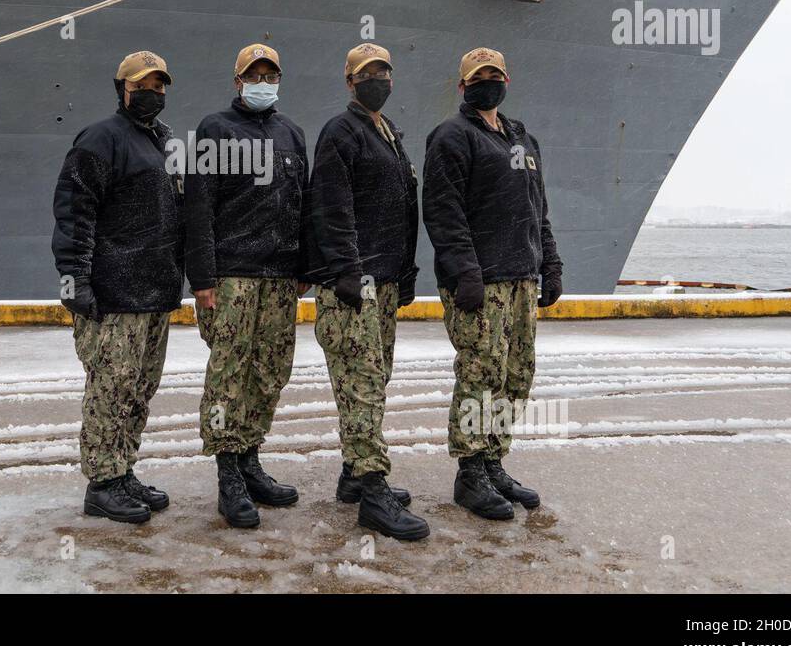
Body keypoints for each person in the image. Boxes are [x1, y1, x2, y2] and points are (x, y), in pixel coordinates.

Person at [423, 47, 563, 521]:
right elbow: (443, 212)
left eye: (495, 74)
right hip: (480, 282)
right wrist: (465, 271)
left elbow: (537, 208)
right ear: (462, 87)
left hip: (521, 276)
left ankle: (493, 460)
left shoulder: (523, 139)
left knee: (515, 376)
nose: (488, 82)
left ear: (507, 80)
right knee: (481, 376)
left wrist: (551, 263)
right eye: (478, 77)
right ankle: (469, 472)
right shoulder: (452, 137)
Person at [51, 50, 184, 524]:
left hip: (154, 294)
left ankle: (123, 468)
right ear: (121, 89)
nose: (153, 93)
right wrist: (75, 282)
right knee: (111, 388)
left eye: (159, 85)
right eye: (142, 85)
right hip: (113, 297)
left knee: (139, 390)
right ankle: (102, 482)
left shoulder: (164, 142)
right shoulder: (100, 139)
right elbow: (74, 213)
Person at [305, 43, 429, 541]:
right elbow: (331, 209)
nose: (377, 78)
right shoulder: (340, 132)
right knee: (360, 386)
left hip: (383, 281)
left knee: (374, 384)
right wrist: (347, 272)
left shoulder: (388, 133)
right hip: (353, 285)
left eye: (383, 71)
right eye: (367, 73)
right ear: (350, 82)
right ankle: (374, 492)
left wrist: (404, 272)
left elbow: (400, 209)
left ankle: (352, 477)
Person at [186, 43, 310, 528]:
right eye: (253, 74)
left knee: (269, 372)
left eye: (270, 74)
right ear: (237, 81)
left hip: (280, 278)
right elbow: (198, 208)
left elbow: (303, 202)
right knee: (228, 376)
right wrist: (202, 279)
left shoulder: (291, 133)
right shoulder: (217, 130)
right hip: (232, 278)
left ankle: (251, 460)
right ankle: (228, 475)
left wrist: (305, 267)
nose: (263, 82)